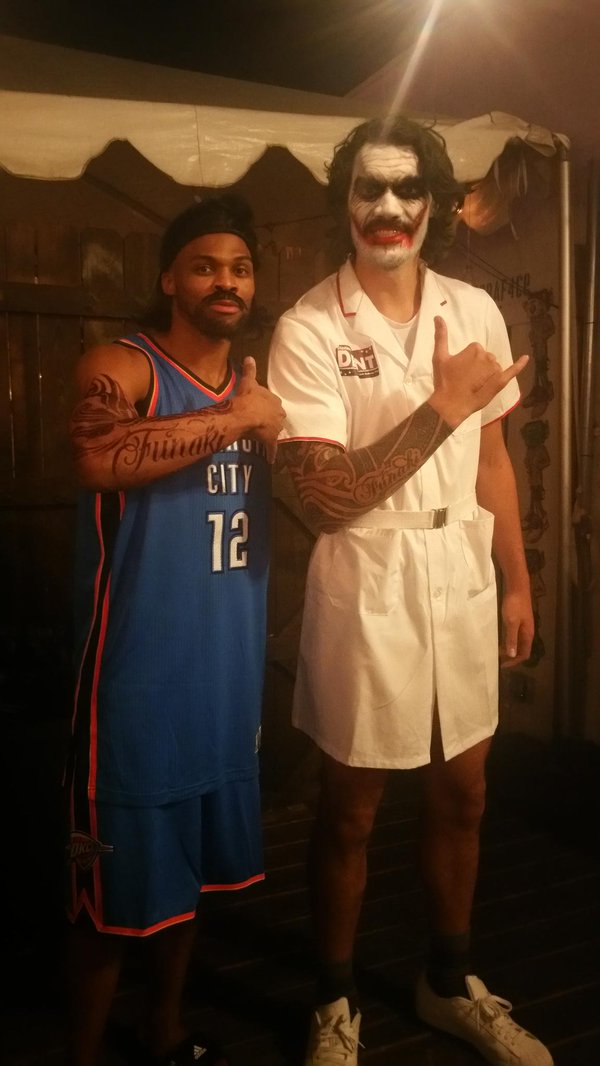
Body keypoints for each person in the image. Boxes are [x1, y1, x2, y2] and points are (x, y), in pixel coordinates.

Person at [268, 115, 553, 1066]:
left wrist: (518, 581)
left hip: (461, 573)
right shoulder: (310, 326)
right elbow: (326, 501)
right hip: (365, 578)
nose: (388, 207)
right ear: (345, 201)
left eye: (407, 188)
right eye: (369, 187)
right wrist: (442, 405)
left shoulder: (475, 310)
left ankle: (448, 979)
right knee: (350, 809)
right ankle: (333, 998)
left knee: (464, 794)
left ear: (435, 202)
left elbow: (494, 458)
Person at [65, 194, 285, 1066]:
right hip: (135, 696)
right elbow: (96, 454)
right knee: (106, 904)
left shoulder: (261, 390)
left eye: (240, 268)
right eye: (205, 266)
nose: (226, 281)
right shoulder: (125, 365)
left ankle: (165, 1032)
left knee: (188, 883)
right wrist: (239, 420)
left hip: (225, 691)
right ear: (169, 279)